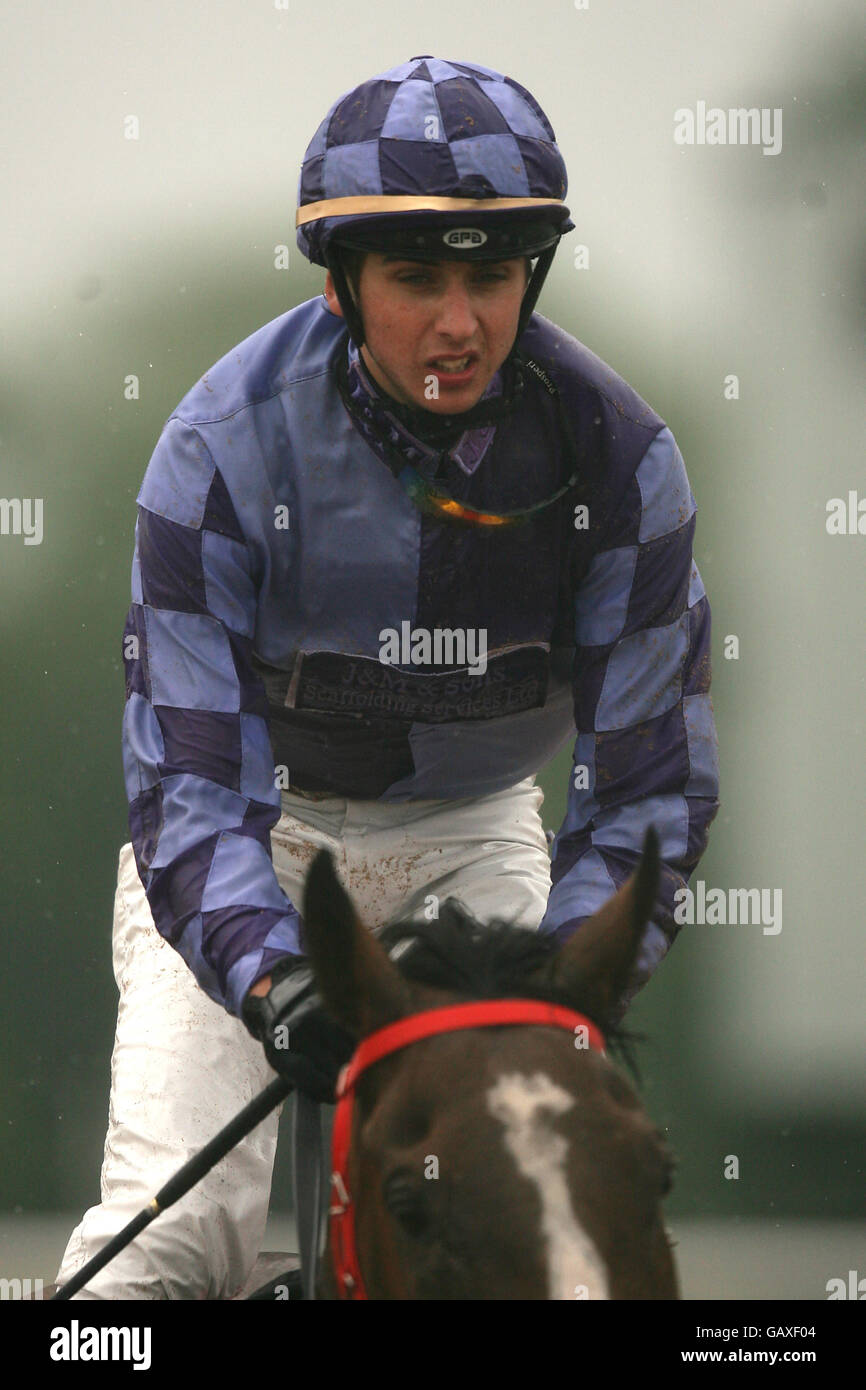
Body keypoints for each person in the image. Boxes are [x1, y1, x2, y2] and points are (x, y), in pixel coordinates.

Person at [55, 55, 720, 1299]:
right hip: (261, 836)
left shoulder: (621, 457)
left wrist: (555, 988)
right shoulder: (215, 447)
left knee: (532, 1186)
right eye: (416, 277)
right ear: (340, 284)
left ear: (534, 274)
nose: (458, 322)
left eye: (491, 275)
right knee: (172, 1256)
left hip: (475, 836)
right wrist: (272, 974)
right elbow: (189, 789)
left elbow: (643, 793)